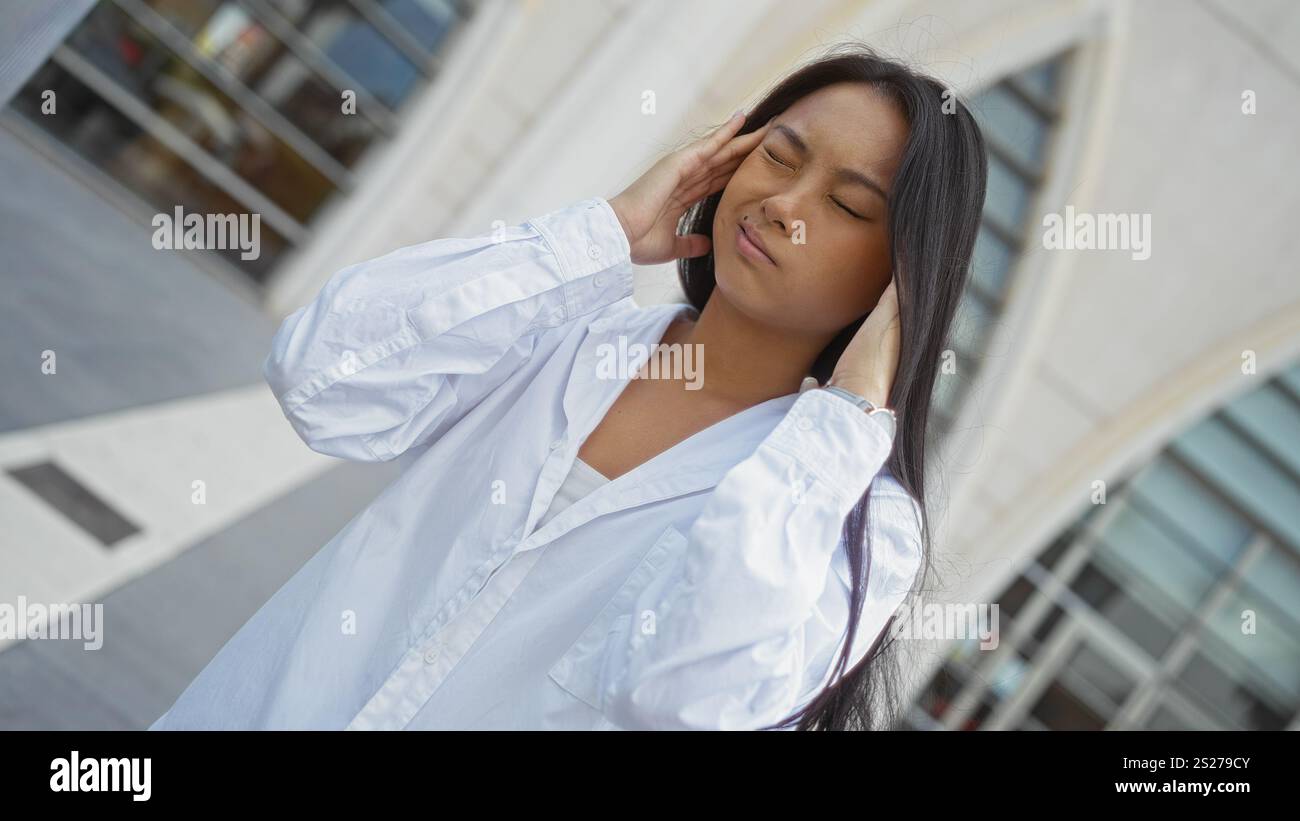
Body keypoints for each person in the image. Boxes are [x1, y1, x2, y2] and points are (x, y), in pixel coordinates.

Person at [149, 42, 987, 731]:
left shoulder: (858, 523)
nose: (781, 203)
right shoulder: (563, 328)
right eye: (776, 155)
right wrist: (605, 235)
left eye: (846, 205)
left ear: (901, 281)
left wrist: (844, 423)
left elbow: (688, 699)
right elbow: (322, 377)